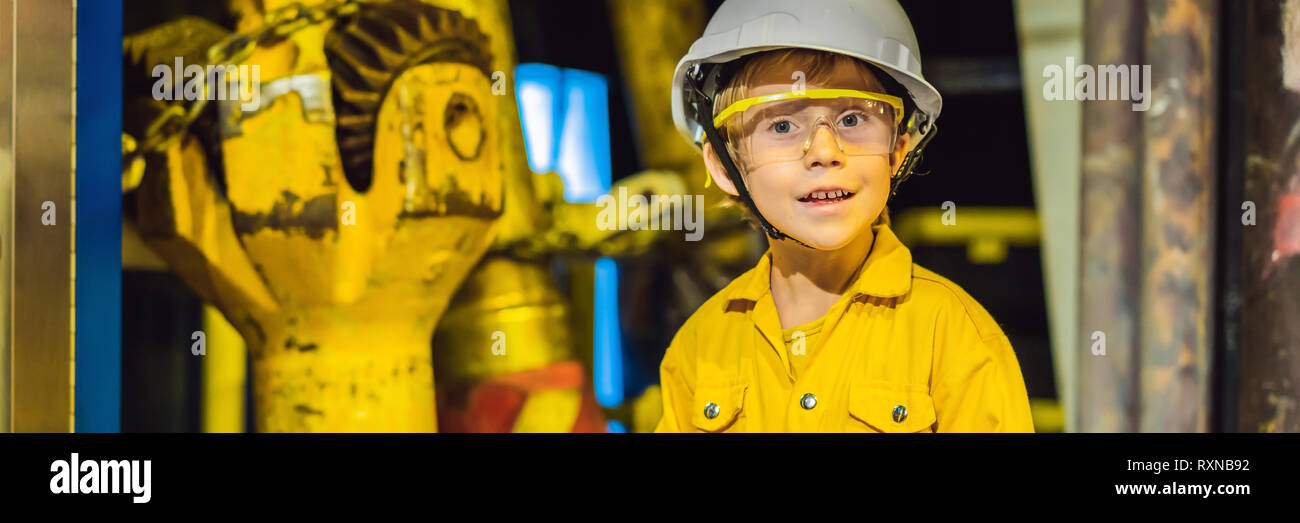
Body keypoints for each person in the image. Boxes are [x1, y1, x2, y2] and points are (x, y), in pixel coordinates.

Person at [656, 0, 1034, 432]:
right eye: (782, 126)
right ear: (725, 167)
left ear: (897, 149)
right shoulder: (699, 348)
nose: (824, 151)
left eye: (852, 118)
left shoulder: (953, 336)